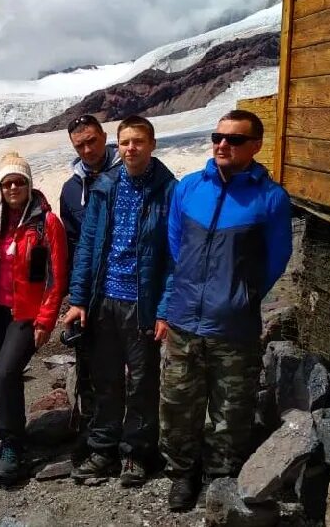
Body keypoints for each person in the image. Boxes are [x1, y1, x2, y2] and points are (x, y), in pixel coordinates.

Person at [159, 110, 292, 511]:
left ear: (255, 146)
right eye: (218, 137)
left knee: (231, 408)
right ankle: (182, 473)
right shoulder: (188, 188)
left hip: (233, 325)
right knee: (178, 403)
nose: (222, 145)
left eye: (234, 139)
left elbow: (277, 258)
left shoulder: (270, 198)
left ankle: (220, 476)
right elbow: (176, 246)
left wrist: (240, 296)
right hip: (184, 319)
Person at [63, 115, 177, 488]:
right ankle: (103, 449)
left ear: (152, 144)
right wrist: (79, 299)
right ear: (119, 144)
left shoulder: (168, 190)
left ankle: (137, 453)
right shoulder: (106, 187)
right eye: (125, 142)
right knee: (106, 379)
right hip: (104, 301)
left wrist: (164, 309)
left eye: (138, 141)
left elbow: (174, 257)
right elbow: (87, 247)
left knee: (142, 381)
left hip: (141, 303)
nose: (131, 148)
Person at [0, 151, 67, 487]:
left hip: (26, 315)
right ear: (0, 188)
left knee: (6, 372)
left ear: (29, 184)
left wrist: (45, 320)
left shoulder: (46, 223)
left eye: (19, 182)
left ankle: (12, 447)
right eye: (7, 183)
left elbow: (56, 276)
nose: (13, 187)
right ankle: (10, 438)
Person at [58, 114, 122, 463]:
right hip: (93, 293)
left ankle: (133, 438)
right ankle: (96, 433)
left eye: (92, 141)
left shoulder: (129, 172)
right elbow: (73, 244)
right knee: (92, 365)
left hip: (128, 286)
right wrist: (76, 294)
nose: (87, 150)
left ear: (104, 136)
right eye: (79, 145)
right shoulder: (71, 190)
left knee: (134, 365)